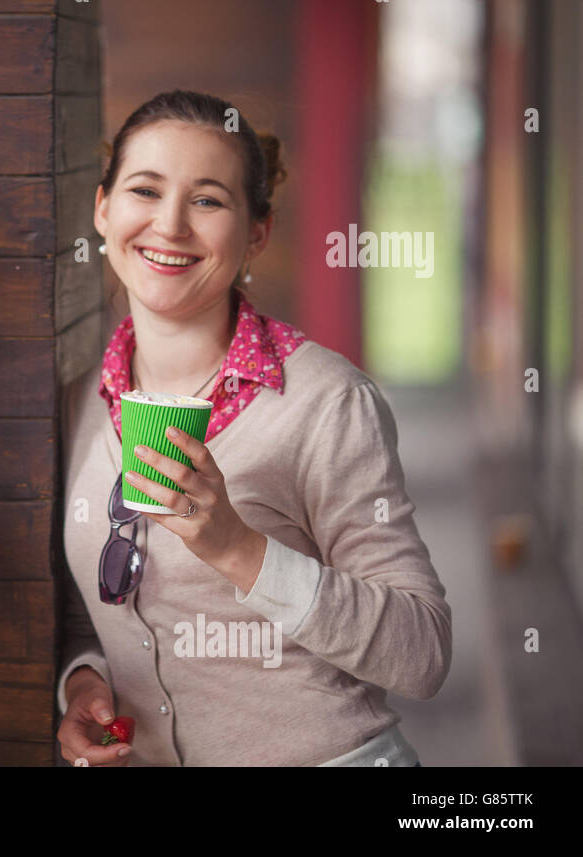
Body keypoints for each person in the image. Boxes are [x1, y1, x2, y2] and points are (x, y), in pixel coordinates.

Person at [56, 90, 450, 766]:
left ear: (257, 233)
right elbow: (89, 607)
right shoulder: (79, 403)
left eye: (208, 200)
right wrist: (86, 679)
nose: (170, 224)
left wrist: (239, 548)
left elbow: (423, 651)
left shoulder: (327, 403)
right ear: (103, 209)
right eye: (145, 190)